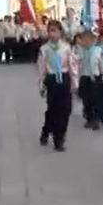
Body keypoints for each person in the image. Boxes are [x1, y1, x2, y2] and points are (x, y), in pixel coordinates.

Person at [35, 20, 75, 152]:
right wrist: (41, 84)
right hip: (51, 79)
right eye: (50, 31)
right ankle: (46, 131)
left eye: (55, 31)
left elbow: (71, 66)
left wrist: (75, 82)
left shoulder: (66, 47)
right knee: (53, 110)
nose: (52, 34)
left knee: (65, 109)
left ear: (60, 32)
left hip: (64, 78)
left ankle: (60, 137)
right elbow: (41, 68)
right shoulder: (44, 49)